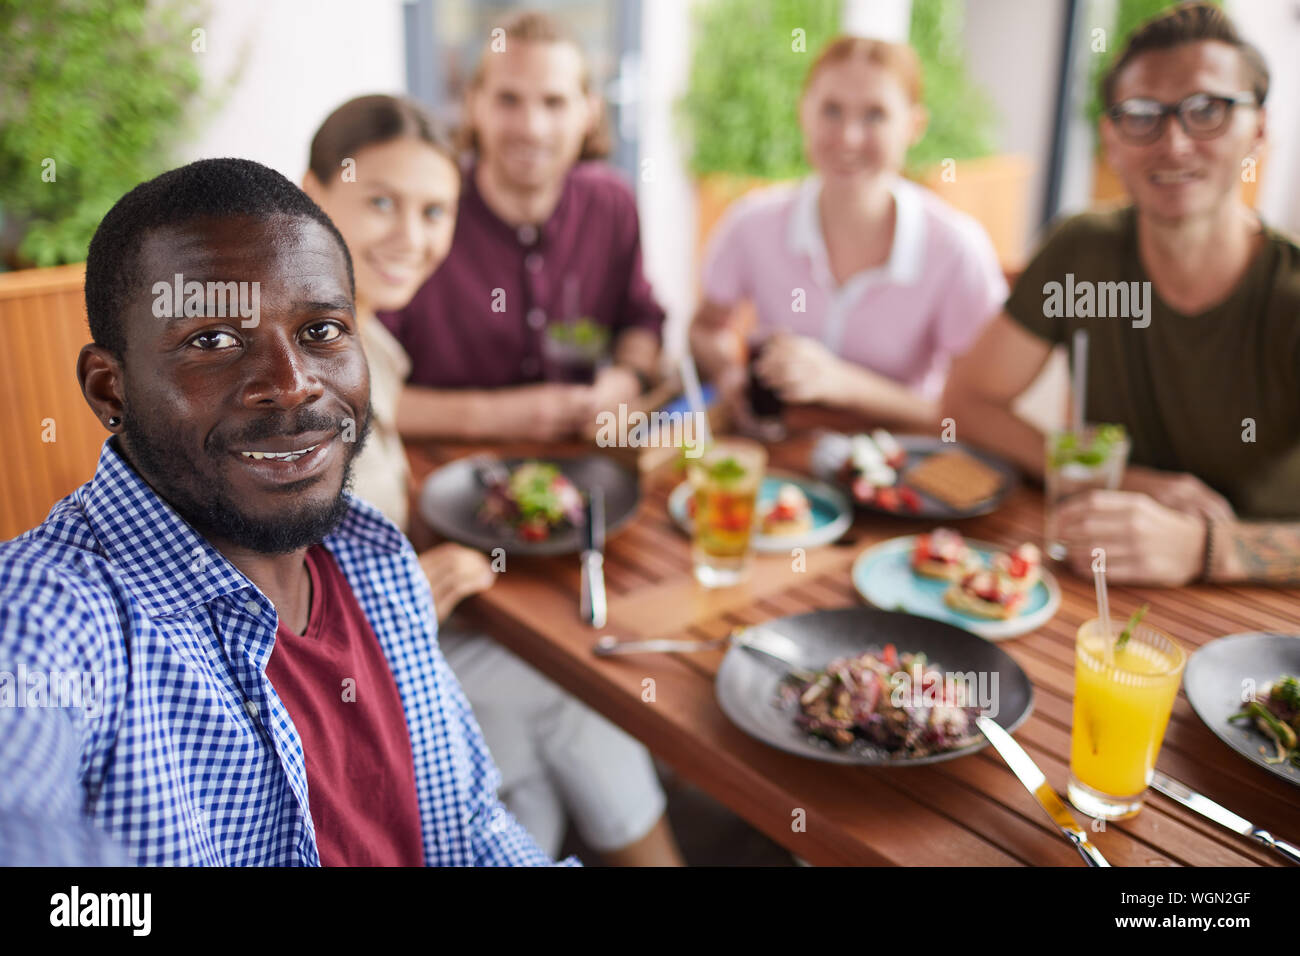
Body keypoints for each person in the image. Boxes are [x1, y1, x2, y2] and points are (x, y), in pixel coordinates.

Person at [0, 157, 571, 866]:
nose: (292, 386)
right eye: (212, 341)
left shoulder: (376, 563)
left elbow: (469, 828)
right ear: (110, 390)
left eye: (322, 331)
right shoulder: (52, 610)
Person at [301, 94, 683, 866]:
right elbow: (267, 591)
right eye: (380, 203)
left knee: (538, 763)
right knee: (574, 690)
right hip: (340, 687)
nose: (411, 238)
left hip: (407, 642)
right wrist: (405, 586)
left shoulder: (360, 335)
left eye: (435, 212)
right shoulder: (298, 366)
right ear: (310, 195)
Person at [942, 2, 1300, 587]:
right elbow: (964, 407)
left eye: (1207, 110)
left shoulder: (1290, 295)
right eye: (1141, 115)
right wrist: (1127, 480)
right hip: (1092, 586)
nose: (1174, 143)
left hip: (1261, 635)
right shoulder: (1083, 253)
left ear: (1257, 128)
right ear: (1111, 138)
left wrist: (1205, 547)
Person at [689, 35, 1008, 433]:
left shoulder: (956, 249)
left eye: (875, 115)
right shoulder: (751, 223)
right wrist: (729, 373)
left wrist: (843, 382)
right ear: (803, 112)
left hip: (898, 472)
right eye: (831, 110)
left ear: (913, 126)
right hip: (779, 456)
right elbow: (705, 329)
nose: (849, 137)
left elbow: (970, 414)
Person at [381, 9, 664, 442]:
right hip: (435, 473)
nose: (532, 129)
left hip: (577, 470)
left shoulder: (613, 204)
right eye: (508, 100)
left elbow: (641, 320)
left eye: (554, 102)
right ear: (473, 104)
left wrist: (628, 380)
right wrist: (489, 416)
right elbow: (360, 391)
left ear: (589, 112)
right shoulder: (421, 211)